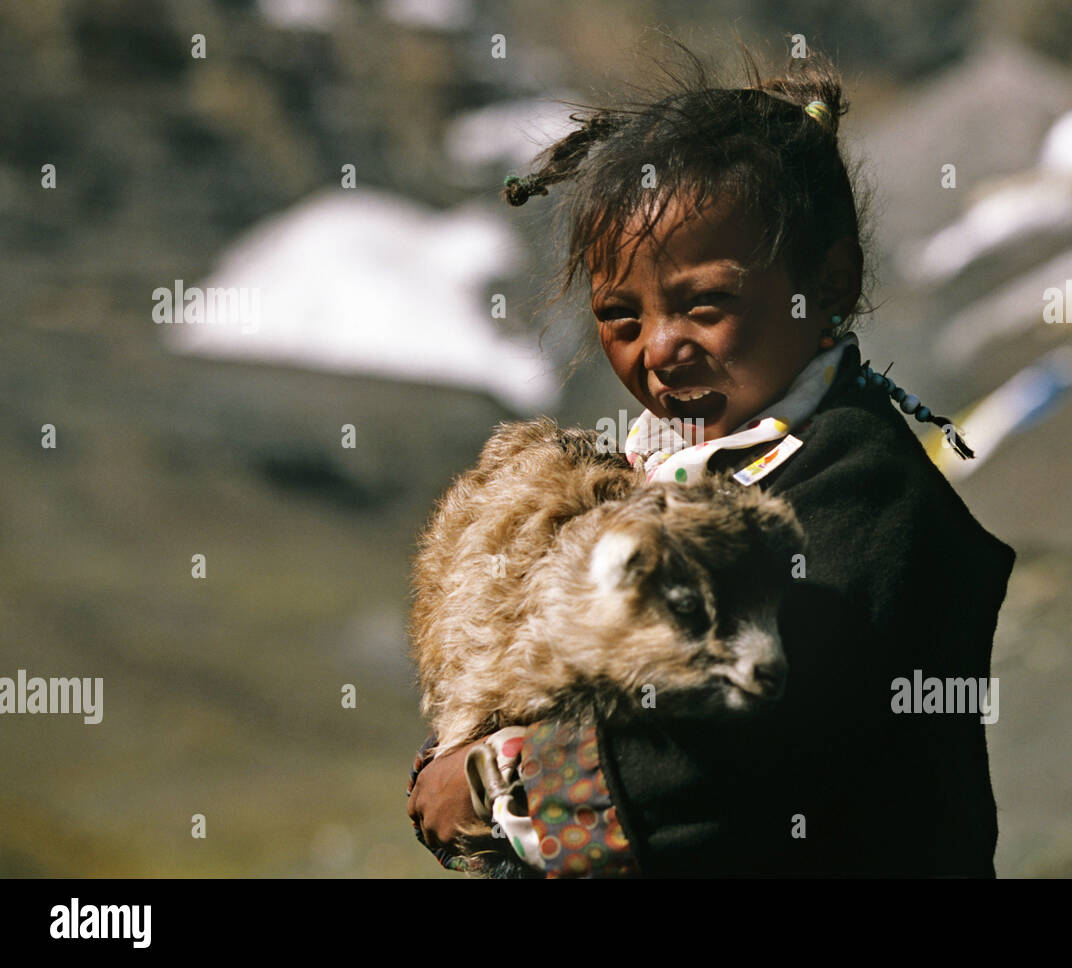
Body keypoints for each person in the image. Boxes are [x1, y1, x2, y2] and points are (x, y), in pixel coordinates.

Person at [407, 40, 1016, 877]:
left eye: (703, 303)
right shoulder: (646, 483)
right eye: (621, 318)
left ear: (831, 284)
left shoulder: (862, 492)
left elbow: (745, 754)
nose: (659, 348)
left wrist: (492, 786)